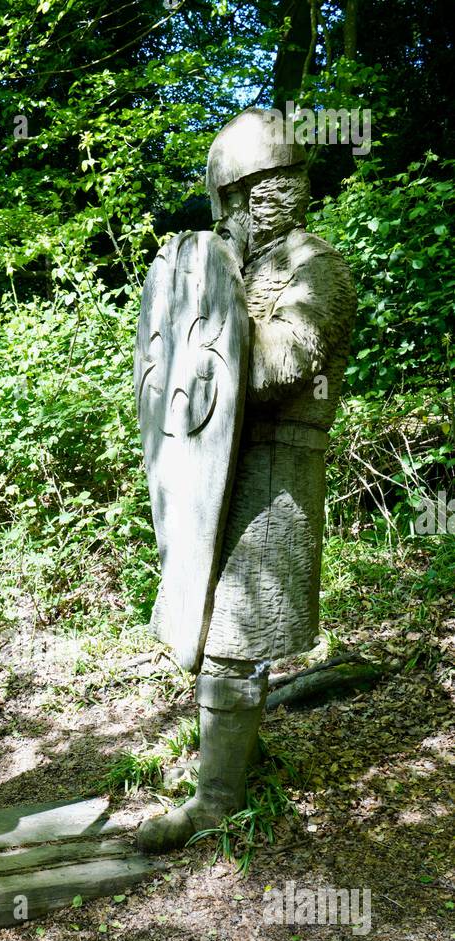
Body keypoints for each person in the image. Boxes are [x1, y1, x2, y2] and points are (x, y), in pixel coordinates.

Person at [137, 109, 356, 852]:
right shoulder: (229, 266)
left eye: (286, 180)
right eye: (257, 186)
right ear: (231, 197)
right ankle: (242, 753)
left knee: (235, 633)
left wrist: (220, 323)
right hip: (214, 475)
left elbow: (280, 364)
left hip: (272, 471)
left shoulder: (314, 266)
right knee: (206, 627)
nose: (275, 196)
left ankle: (216, 801)